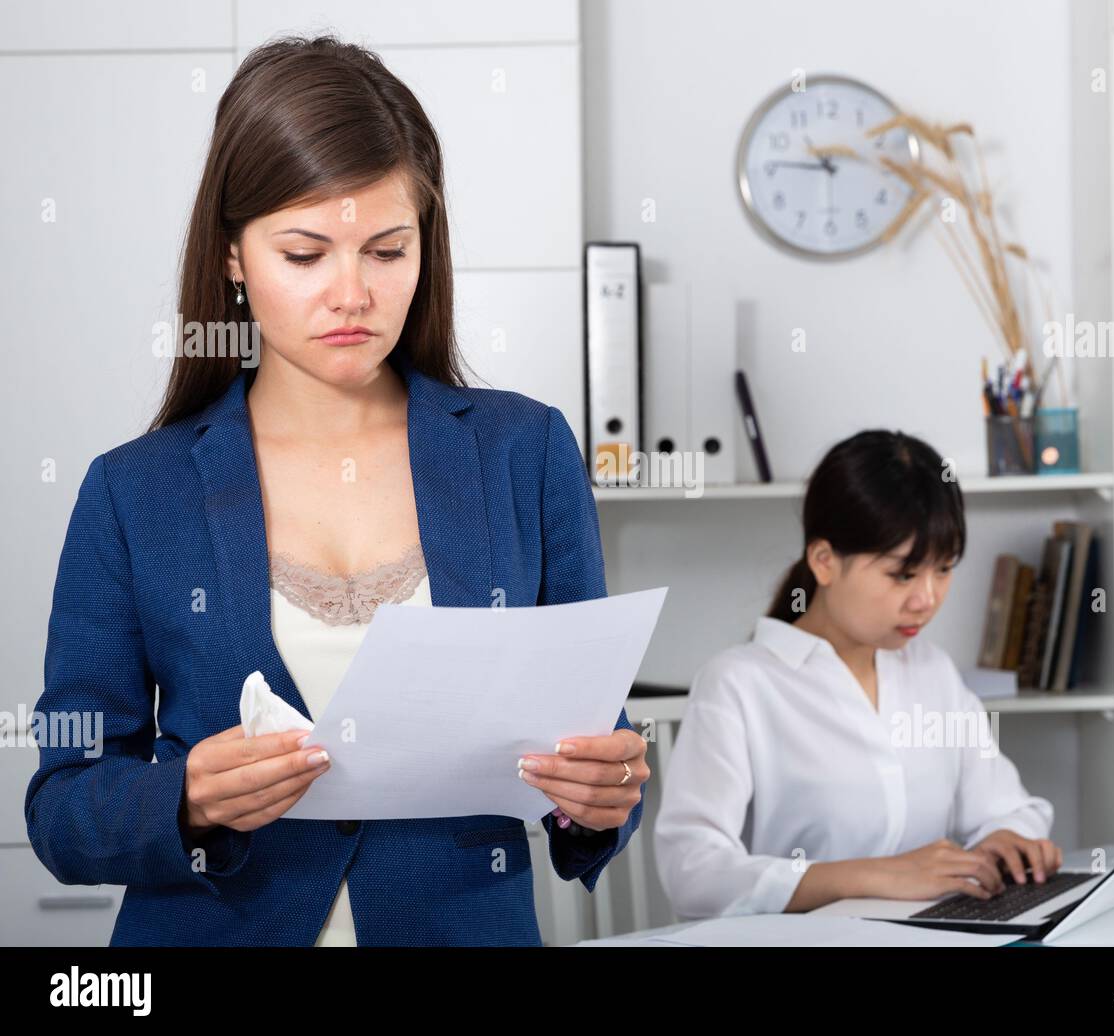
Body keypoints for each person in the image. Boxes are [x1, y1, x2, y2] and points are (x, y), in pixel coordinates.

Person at [25, 34, 648, 947]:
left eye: (387, 251)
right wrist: (186, 798)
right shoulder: (134, 492)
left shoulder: (525, 452)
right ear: (234, 257)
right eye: (305, 254)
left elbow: (597, 752)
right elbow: (63, 803)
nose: (352, 294)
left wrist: (604, 796)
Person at [654, 429, 1061, 919]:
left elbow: (1004, 806)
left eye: (944, 569)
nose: (927, 599)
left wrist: (1007, 838)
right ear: (824, 562)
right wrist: (873, 874)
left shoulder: (931, 672)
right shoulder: (739, 684)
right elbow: (692, 872)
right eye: (902, 574)